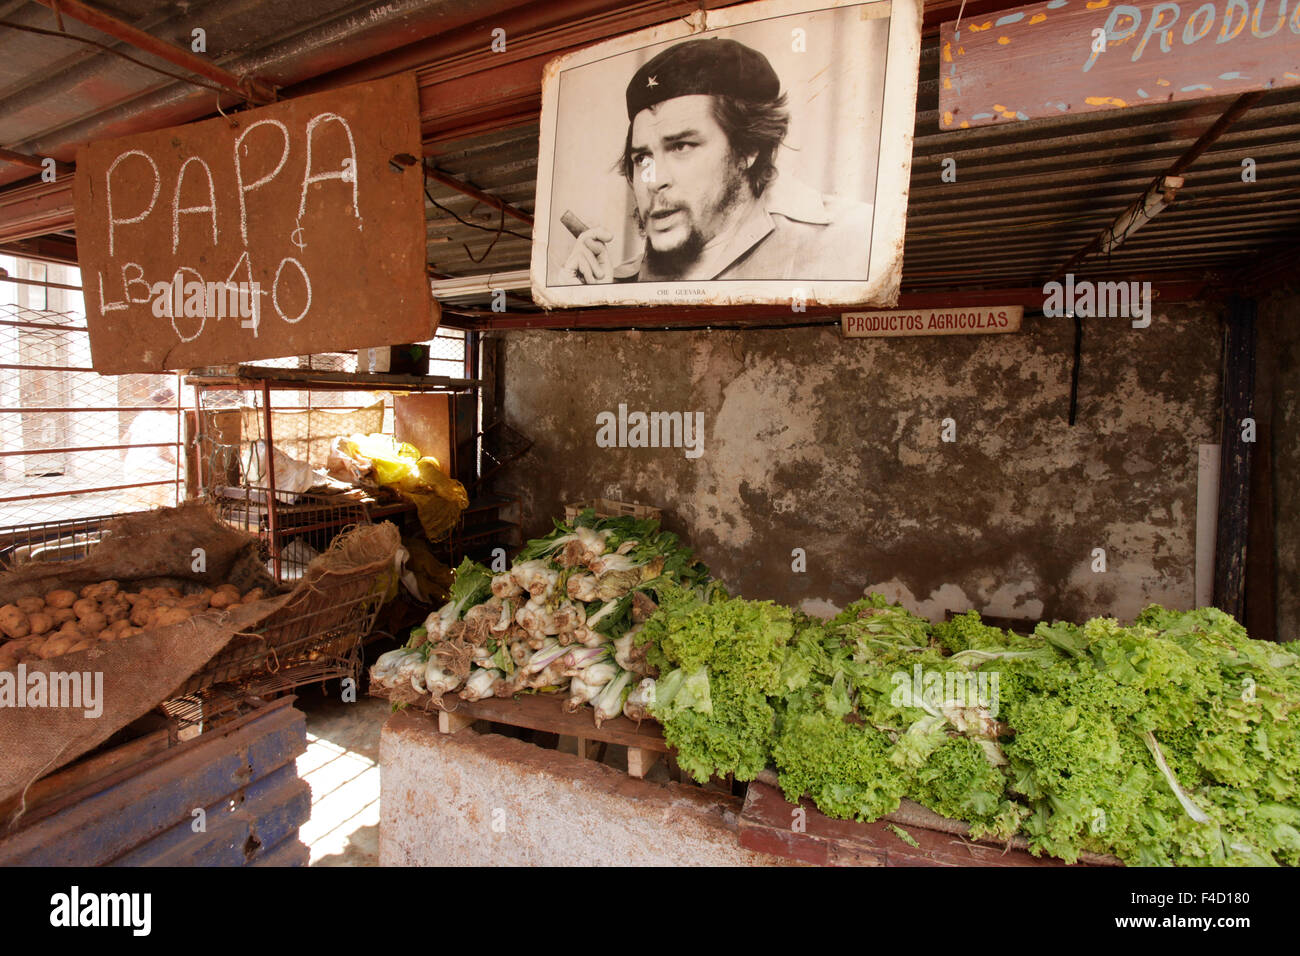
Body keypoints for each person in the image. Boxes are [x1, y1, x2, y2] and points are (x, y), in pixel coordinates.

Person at [560, 36, 874, 284]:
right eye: (643, 158)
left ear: (748, 149)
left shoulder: (854, 241)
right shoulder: (617, 281)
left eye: (681, 147)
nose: (653, 180)